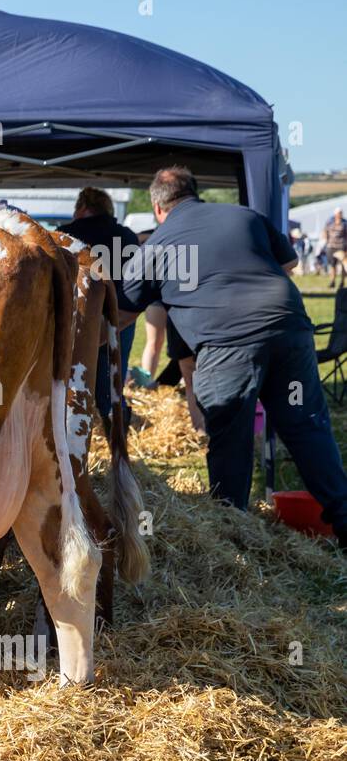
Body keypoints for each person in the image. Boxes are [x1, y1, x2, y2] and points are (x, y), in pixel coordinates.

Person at [120, 166, 347, 546]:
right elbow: (289, 264)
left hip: (229, 344)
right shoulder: (246, 215)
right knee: (306, 426)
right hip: (288, 328)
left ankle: (231, 533)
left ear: (159, 208)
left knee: (230, 433)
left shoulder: (158, 242)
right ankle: (343, 518)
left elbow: (125, 311)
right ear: (195, 193)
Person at [58, 187, 140, 425]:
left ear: (82, 208)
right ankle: (118, 446)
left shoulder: (65, 236)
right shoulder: (126, 235)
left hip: (77, 319)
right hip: (119, 317)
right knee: (112, 390)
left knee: (70, 386)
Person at [322, 208, 346, 289]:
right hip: (331, 246)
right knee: (332, 265)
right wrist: (325, 239)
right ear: (335, 214)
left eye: (341, 213)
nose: (340, 214)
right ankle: (332, 281)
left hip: (342, 246)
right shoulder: (330, 222)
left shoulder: (345, 223)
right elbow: (325, 231)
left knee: (344, 265)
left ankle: (342, 282)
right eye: (339, 213)